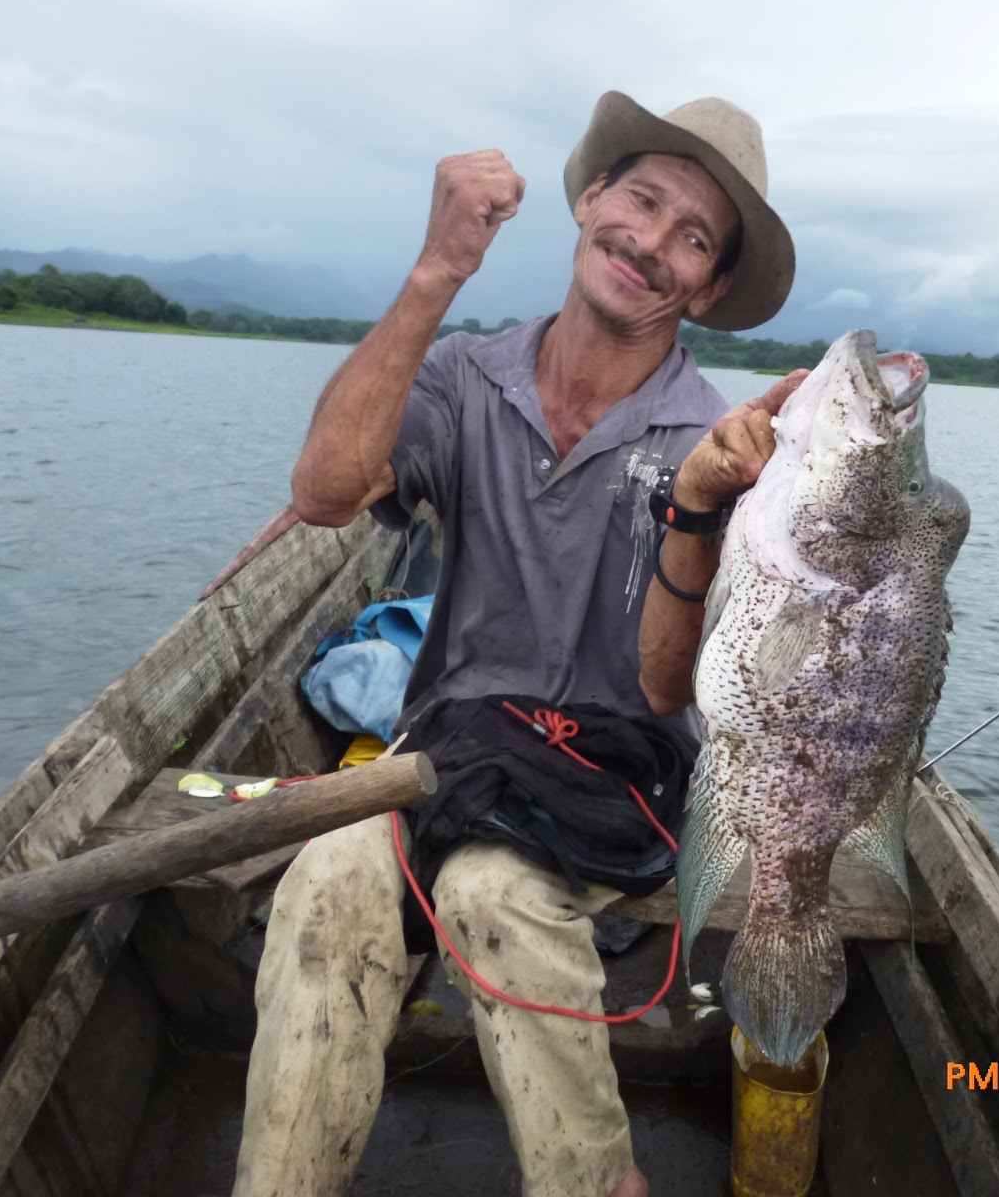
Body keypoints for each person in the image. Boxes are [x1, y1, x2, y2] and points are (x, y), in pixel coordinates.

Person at [232, 90, 804, 1197]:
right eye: (641, 200)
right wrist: (435, 273)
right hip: (450, 750)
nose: (651, 243)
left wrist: (696, 508)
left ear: (711, 287)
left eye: (694, 237)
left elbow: (668, 684)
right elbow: (323, 491)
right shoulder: (463, 376)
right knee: (324, 883)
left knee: (492, 895)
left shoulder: (719, 446)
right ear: (590, 199)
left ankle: (599, 1182)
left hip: (619, 773)